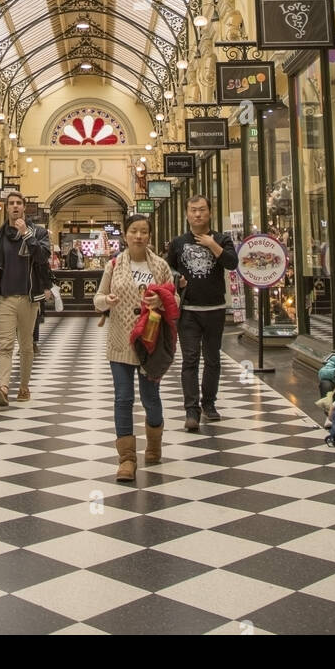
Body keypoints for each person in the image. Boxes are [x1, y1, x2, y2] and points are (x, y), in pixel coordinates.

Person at [94, 213, 175, 481]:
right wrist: (108, 299)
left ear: (149, 235)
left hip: (150, 340)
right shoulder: (114, 264)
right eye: (133, 231)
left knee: (150, 398)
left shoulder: (161, 266)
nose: (138, 236)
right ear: (125, 234)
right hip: (120, 340)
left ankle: (154, 443)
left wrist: (161, 303)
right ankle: (127, 459)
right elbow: (98, 300)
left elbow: (174, 300)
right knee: (123, 397)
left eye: (143, 231)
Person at [167, 195, 238, 431]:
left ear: (209, 212)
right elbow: (167, 270)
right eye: (193, 210)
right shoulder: (178, 243)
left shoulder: (222, 239)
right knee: (189, 360)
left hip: (215, 308)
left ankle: (209, 404)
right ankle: (191, 410)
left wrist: (212, 245)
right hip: (188, 310)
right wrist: (178, 281)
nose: (198, 214)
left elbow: (232, 263)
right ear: (187, 214)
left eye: (202, 210)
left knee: (213, 359)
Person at [0, 190, 52, 407]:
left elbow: (42, 257)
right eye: (10, 203)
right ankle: (3, 387)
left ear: (24, 207)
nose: (14, 207)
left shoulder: (38, 233)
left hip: (29, 298)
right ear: (6, 207)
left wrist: (26, 235)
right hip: (5, 298)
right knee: (5, 344)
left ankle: (23, 385)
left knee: (26, 345)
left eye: (18, 203)